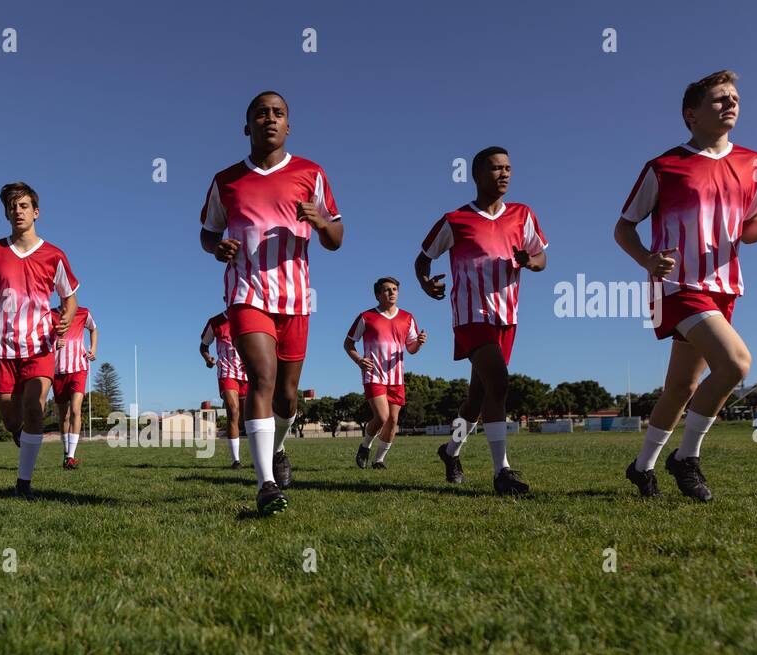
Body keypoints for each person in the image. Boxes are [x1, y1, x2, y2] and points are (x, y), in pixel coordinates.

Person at [617, 70, 757, 501]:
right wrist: (647, 258)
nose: (730, 103)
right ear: (691, 115)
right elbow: (623, 227)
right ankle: (686, 457)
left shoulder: (755, 163)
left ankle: (641, 467)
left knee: (681, 388)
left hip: (724, 288)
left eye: (734, 97)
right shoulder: (664, 166)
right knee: (736, 364)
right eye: (719, 99)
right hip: (678, 286)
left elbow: (747, 231)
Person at [199, 91, 342, 514]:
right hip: (246, 294)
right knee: (260, 377)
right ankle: (264, 484)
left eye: (278, 113)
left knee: (287, 396)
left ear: (288, 125)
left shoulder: (310, 173)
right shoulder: (226, 180)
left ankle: (278, 449)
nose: (270, 119)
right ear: (247, 127)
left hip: (296, 298)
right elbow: (208, 231)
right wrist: (216, 248)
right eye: (261, 114)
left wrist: (320, 222)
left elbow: (336, 239)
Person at [415, 146, 547, 495]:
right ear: (476, 175)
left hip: (507, 317)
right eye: (495, 168)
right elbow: (423, 259)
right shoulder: (455, 220)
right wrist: (426, 284)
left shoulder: (522, 214)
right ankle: (502, 471)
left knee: (477, 399)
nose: (503, 174)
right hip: (471, 316)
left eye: (508, 168)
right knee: (499, 383)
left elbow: (541, 258)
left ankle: (450, 450)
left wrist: (529, 261)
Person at [0, 181, 78, 498]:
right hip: (2, 348)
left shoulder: (54, 255)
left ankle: (23, 483)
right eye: (11, 207)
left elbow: (69, 298)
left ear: (36, 212)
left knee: (35, 407)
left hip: (39, 346)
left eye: (23, 206)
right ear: (6, 213)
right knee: (9, 417)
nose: (17, 211)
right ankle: (19, 433)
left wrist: (67, 318)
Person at [344, 278, 426, 469]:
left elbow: (411, 349)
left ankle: (379, 460)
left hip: (396, 377)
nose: (392, 293)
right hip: (374, 374)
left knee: (393, 420)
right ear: (377, 295)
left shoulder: (407, 317)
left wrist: (419, 343)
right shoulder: (366, 317)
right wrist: (359, 360)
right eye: (387, 290)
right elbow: (348, 344)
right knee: (382, 416)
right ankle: (365, 446)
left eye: (395, 289)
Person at [199, 311, 247, 468]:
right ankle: (235, 461)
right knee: (233, 411)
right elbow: (204, 345)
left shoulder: (249, 318)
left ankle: (264, 457)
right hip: (226, 372)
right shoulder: (215, 322)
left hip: (248, 372)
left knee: (248, 418)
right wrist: (208, 359)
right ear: (226, 299)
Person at [52, 304, 96, 469]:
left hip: (79, 368)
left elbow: (94, 329)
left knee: (76, 410)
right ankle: (66, 453)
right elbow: (41, 337)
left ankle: (71, 456)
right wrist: (54, 344)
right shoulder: (50, 314)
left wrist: (93, 348)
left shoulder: (84, 312)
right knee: (63, 416)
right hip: (57, 371)